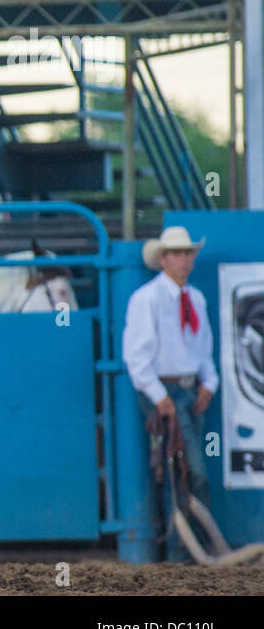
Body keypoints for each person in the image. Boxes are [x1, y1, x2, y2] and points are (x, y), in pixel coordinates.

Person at [121, 225, 219, 562]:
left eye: (188, 253)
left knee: (183, 473)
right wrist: (158, 396)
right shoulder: (146, 299)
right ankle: (186, 555)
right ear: (162, 259)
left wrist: (208, 383)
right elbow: (136, 356)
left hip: (189, 392)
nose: (184, 260)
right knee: (190, 473)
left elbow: (203, 349)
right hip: (165, 393)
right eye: (177, 254)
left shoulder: (196, 299)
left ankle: (189, 552)